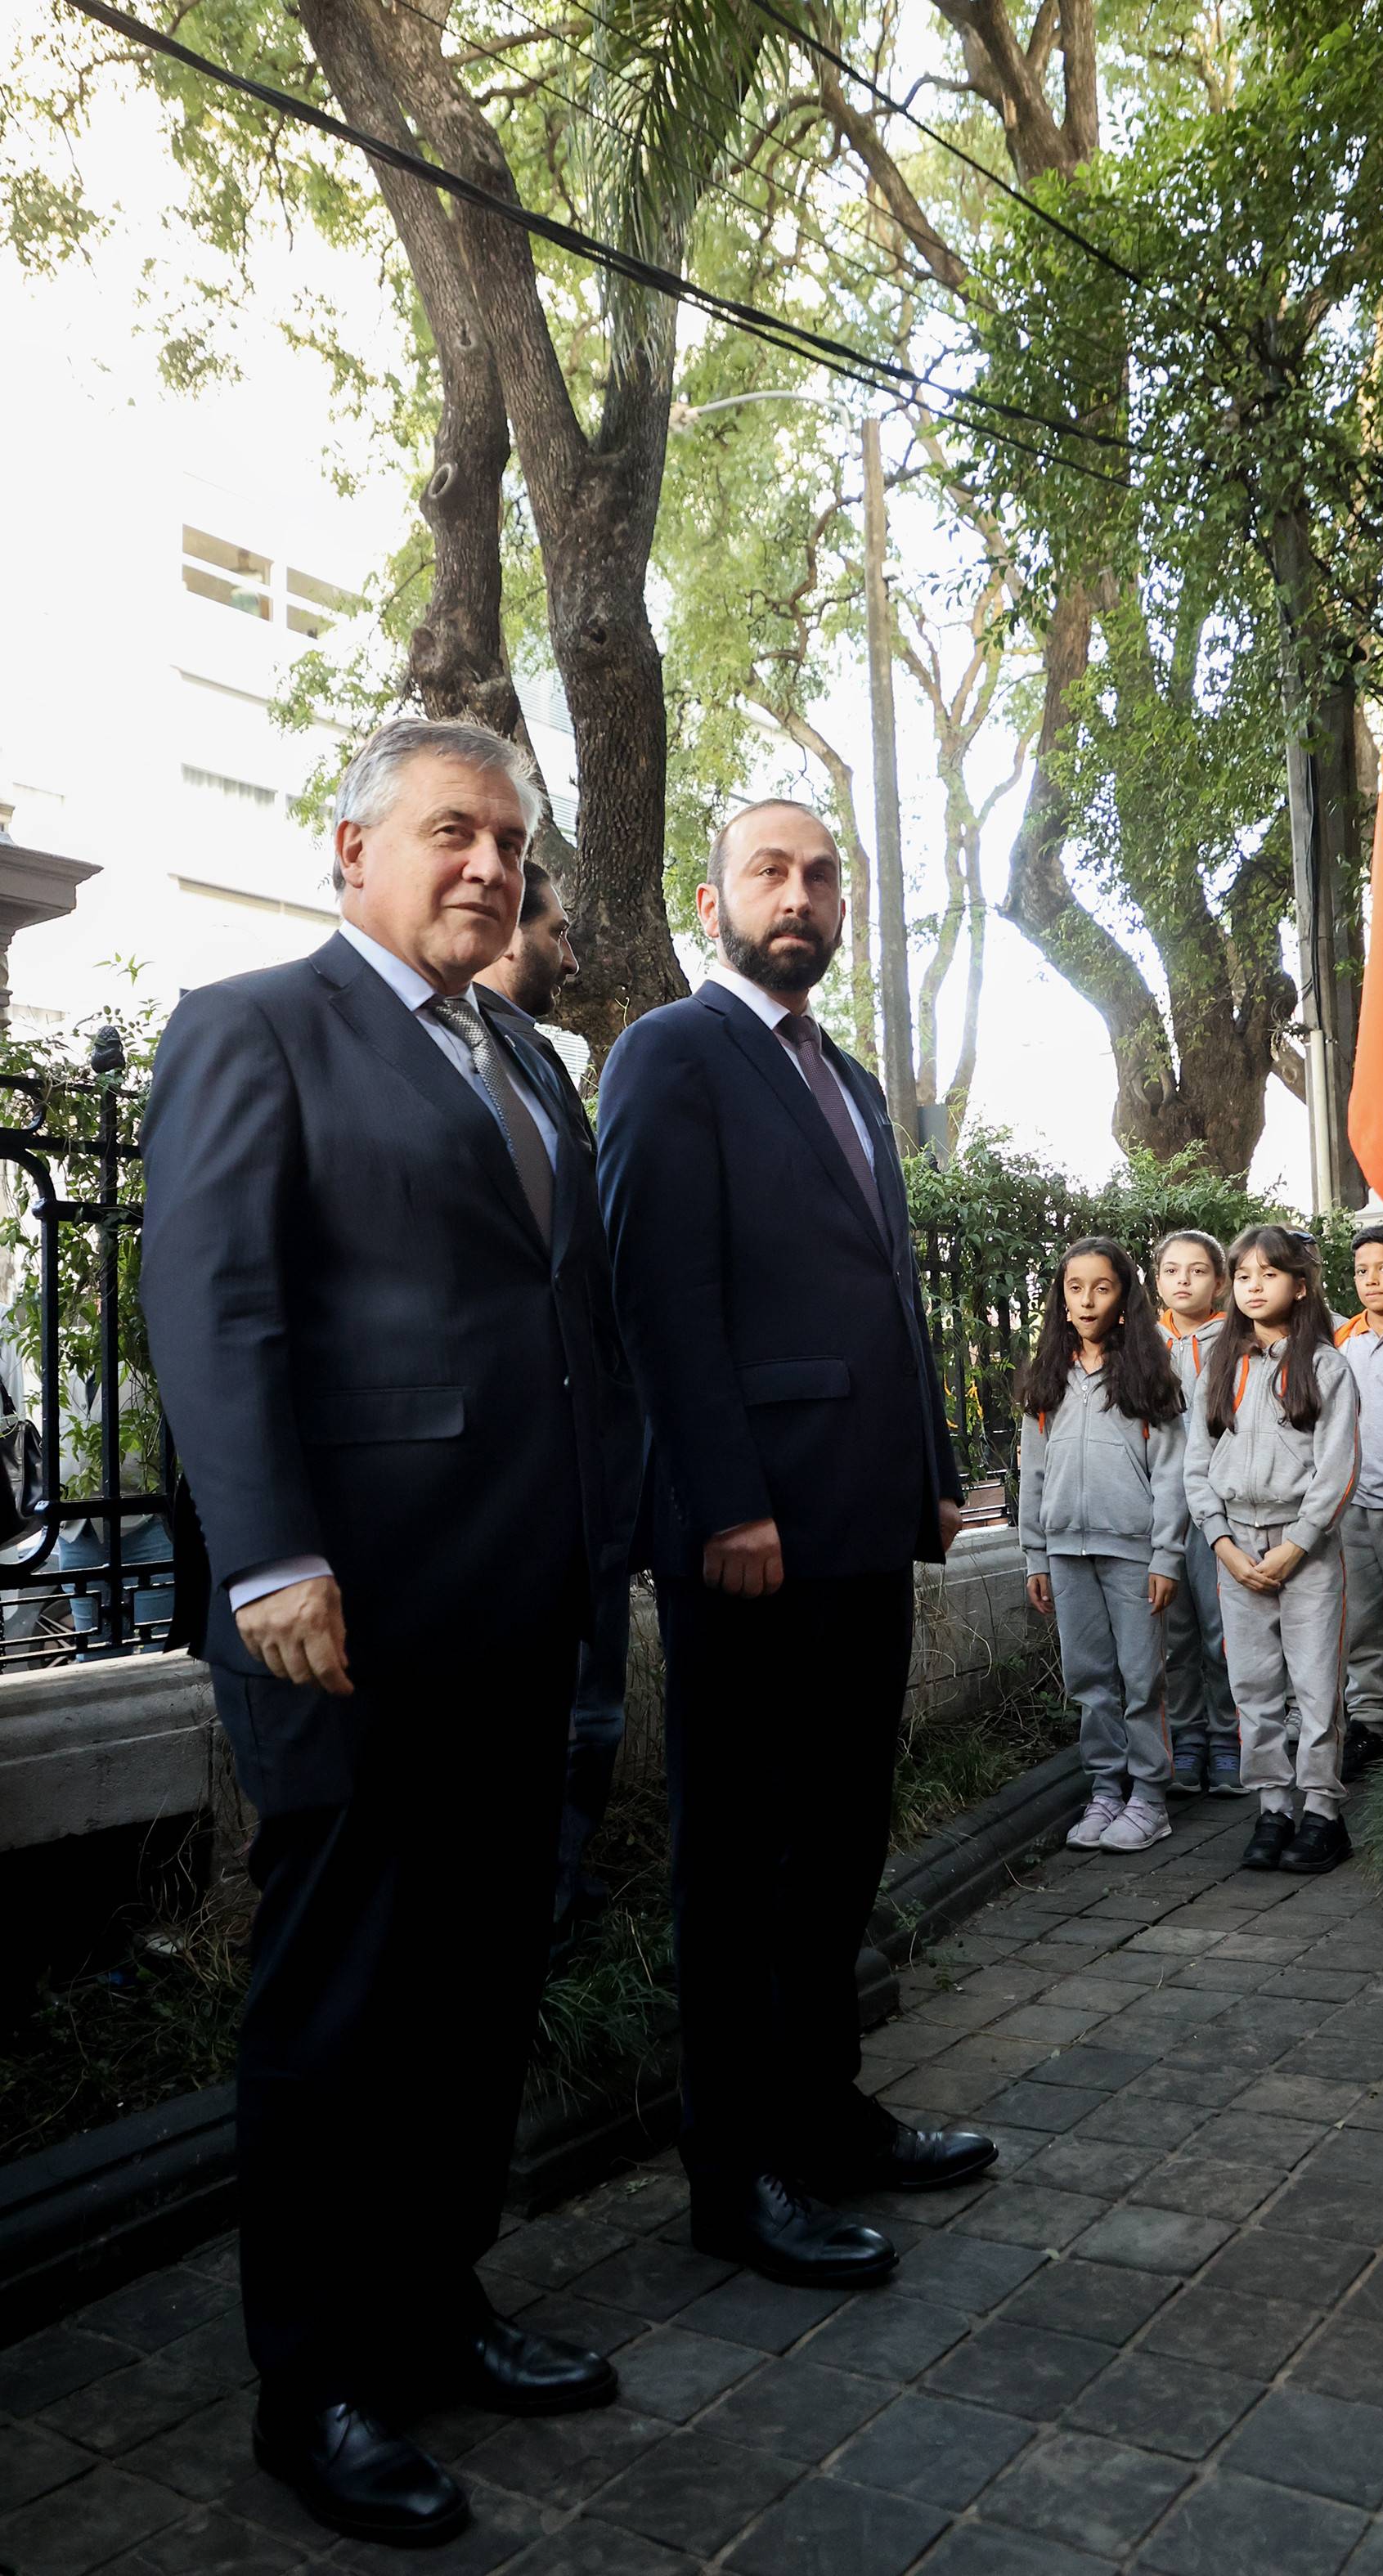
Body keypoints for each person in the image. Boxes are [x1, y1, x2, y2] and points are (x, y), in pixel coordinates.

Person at [140, 720, 641, 2550]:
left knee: (478, 1988)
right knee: (343, 2003)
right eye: (451, 832)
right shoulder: (256, 1026)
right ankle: (319, 2385)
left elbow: (566, 1330)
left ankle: (437, 2303)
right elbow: (213, 1302)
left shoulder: (527, 1056)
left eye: (510, 842)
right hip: (343, 1620)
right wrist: (270, 1557)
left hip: (523, 1608)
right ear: (352, 849)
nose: (489, 868)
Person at [596, 795, 995, 2291]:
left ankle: (824, 2113)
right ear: (712, 903)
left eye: (822, 875)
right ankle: (737, 2174)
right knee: (743, 1863)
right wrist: (724, 1502)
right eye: (770, 871)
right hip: (752, 1532)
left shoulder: (857, 1083)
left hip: (863, 1526)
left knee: (837, 1843)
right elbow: (656, 1295)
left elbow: (890, 1294)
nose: (801, 895)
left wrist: (932, 1473)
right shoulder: (671, 1052)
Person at [476, 859, 635, 1954]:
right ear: (507, 930)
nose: (571, 958)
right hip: (505, 1472)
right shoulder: (436, 1057)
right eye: (559, 933)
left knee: (594, 1704)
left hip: (591, 1464)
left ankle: (563, 1897)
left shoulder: (540, 1061)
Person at [1183, 1224, 1360, 1877]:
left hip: (1303, 1551)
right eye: (1244, 1276)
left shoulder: (1326, 1367)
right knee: (1253, 1686)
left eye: (1270, 1274)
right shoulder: (1218, 1367)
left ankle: (1322, 1812)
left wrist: (1298, 1545)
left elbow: (1338, 1469)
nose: (1254, 1287)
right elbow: (1196, 1465)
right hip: (1237, 1550)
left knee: (1315, 1686)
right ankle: (1273, 1806)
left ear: (1301, 1285)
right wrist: (1221, 1542)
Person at [1017, 1236, 1187, 1855]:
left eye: (1102, 1287)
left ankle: (1150, 1798)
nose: (1087, 1300)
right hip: (1066, 1553)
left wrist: (1167, 1555)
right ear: (1061, 1299)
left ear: (1123, 1298)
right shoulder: (1046, 1378)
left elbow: (1171, 1474)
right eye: (1075, 1288)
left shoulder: (1148, 1376)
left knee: (1142, 1677)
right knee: (1089, 1678)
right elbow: (1033, 1474)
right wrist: (1036, 1554)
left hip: (1134, 1551)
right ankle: (1107, 1791)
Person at [1155, 1229, 1241, 1798]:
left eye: (1198, 1270)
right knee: (1174, 1635)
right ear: (1157, 1280)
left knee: (1222, 1630)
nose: (1183, 1280)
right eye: (1171, 1270)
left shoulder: (1236, 1341)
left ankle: (1229, 1738)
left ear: (1220, 1281)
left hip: (1220, 1512)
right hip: (1160, 1512)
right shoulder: (1142, 1344)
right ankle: (1186, 1739)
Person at [1333, 1218, 1383, 1780]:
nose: (1372, 1280)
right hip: (1354, 1505)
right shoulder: (1343, 1340)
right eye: (1362, 1271)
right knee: (1362, 1623)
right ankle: (1370, 1725)